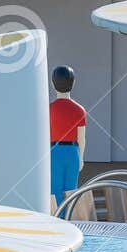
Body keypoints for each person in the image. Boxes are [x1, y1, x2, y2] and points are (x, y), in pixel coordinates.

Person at [48, 65, 87, 209]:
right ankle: (70, 219)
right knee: (71, 189)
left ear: (53, 84)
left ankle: (57, 222)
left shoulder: (48, 109)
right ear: (73, 82)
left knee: (54, 190)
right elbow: (81, 138)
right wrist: (81, 157)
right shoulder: (79, 109)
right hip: (72, 152)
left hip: (53, 151)